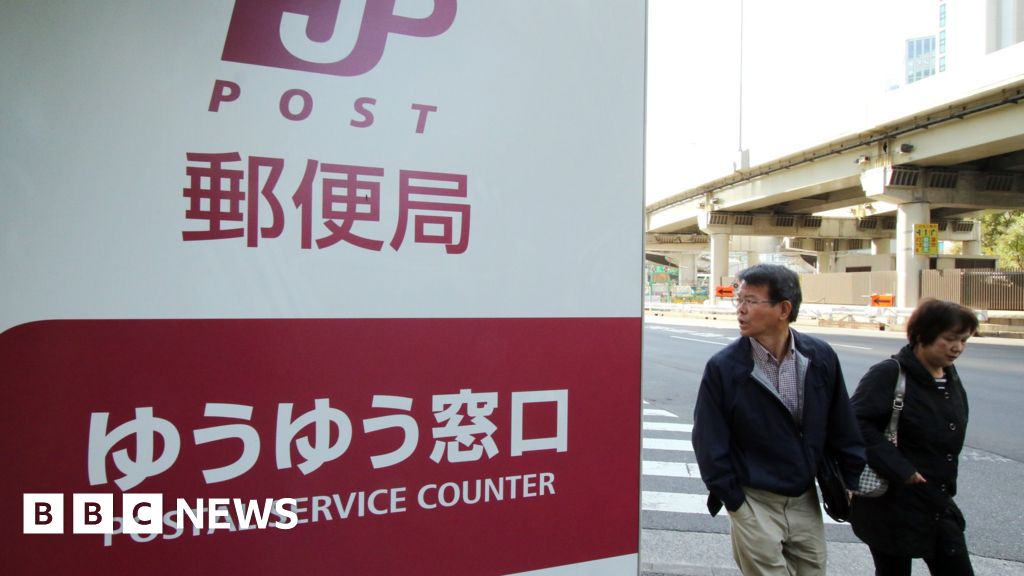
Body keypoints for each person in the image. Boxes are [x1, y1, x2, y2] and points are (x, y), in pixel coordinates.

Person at [693, 264, 865, 576]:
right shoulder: (725, 368)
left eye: (750, 301)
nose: (740, 310)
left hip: (804, 497)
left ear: (784, 309)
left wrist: (851, 479)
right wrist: (735, 502)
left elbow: (842, 423)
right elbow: (708, 441)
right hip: (753, 500)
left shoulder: (819, 357)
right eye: (738, 300)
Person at [849, 298, 979, 576]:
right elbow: (857, 424)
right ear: (922, 335)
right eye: (949, 339)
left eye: (964, 340)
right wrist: (901, 468)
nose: (957, 347)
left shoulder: (948, 376)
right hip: (892, 502)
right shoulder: (890, 373)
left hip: (936, 500)